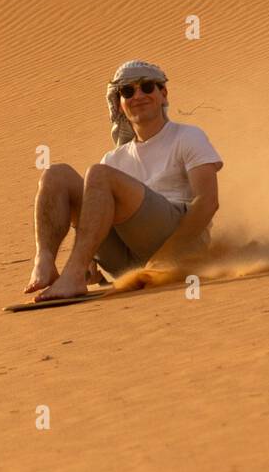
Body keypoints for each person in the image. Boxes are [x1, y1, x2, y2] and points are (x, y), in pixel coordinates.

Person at [26, 60, 223, 301]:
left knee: (98, 175)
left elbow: (207, 201)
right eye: (127, 91)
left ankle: (72, 274)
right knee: (56, 174)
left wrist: (167, 255)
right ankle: (45, 261)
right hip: (126, 262)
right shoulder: (113, 159)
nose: (138, 95)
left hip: (178, 243)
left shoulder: (188, 136)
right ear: (119, 105)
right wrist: (89, 258)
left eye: (147, 87)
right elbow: (92, 217)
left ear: (163, 94)